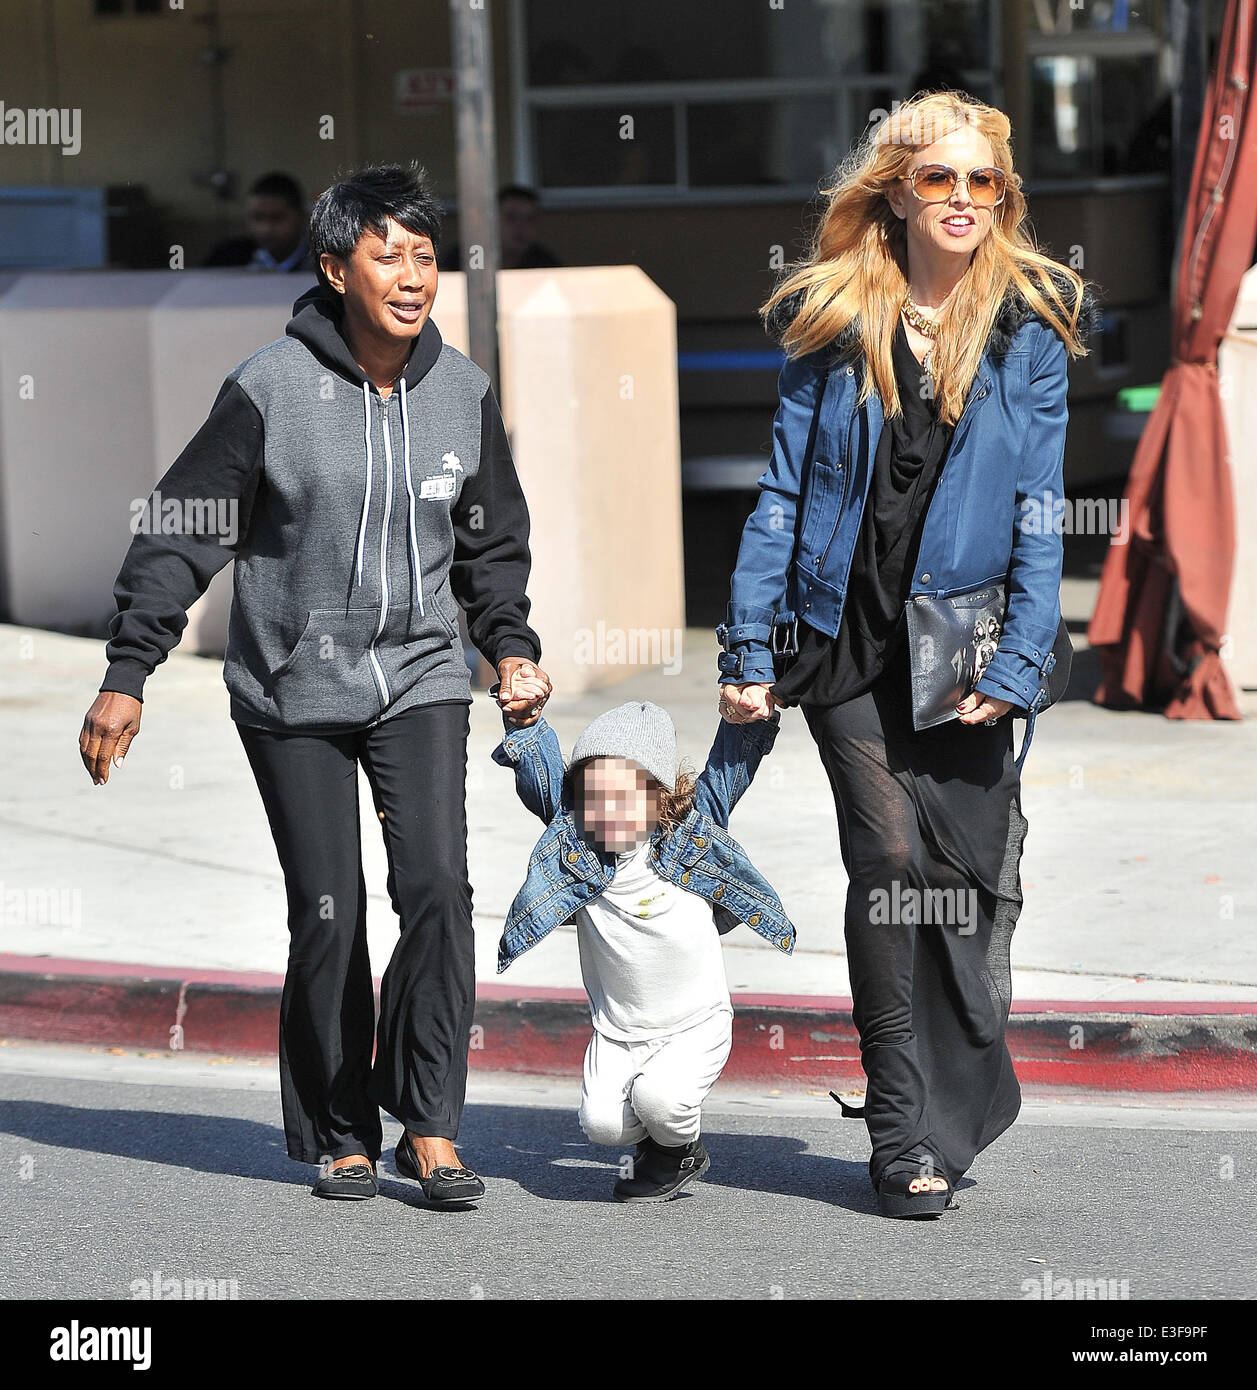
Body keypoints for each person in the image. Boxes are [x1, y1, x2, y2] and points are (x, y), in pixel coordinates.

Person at [79, 163, 553, 1204]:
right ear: (337, 268)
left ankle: (430, 1120)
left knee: (435, 889)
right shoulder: (269, 389)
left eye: (426, 255)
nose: (414, 273)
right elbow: (180, 531)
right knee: (328, 909)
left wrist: (508, 643)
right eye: (389, 254)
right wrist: (130, 669)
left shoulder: (463, 392)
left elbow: (492, 545)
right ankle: (341, 1126)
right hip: (293, 687)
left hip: (422, 674)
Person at [717, 91, 1099, 1219]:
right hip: (844, 642)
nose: (966, 201)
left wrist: (1023, 660)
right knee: (888, 864)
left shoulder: (1027, 331)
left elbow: (1040, 507)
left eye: (986, 182)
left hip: (964, 644)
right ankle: (899, 1133)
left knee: (960, 890)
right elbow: (780, 498)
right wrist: (750, 640)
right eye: (942, 179)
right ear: (895, 188)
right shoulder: (835, 322)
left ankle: (952, 1098)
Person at [491, 696, 796, 1203]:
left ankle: (677, 1150)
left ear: (659, 796)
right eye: (593, 798)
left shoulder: (690, 832)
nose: (606, 812)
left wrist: (749, 717)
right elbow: (540, 777)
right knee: (602, 1127)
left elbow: (728, 768)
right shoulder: (575, 848)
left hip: (696, 1024)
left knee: (662, 1101)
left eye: (623, 797)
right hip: (618, 1033)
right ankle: (659, 1135)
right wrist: (525, 722)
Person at [203, 171, 314, 273]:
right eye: (258, 217)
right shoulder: (226, 258)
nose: (266, 229)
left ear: (301, 217)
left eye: (277, 218)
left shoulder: (323, 263)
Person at [438, 185, 563, 272]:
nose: (521, 226)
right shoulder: (471, 254)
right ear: (491, 222)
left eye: (530, 219)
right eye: (511, 218)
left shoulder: (544, 262)